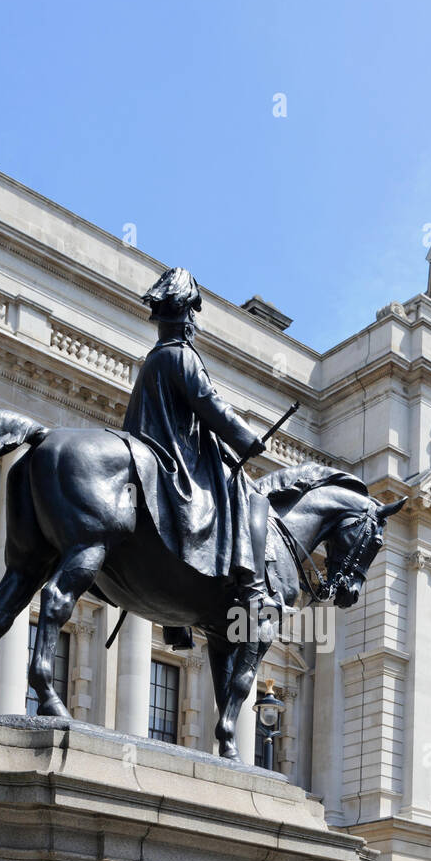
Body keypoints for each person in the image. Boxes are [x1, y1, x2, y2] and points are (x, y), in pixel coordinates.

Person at [121, 267, 275, 645]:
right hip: (175, 456)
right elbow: (210, 406)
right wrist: (247, 440)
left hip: (153, 449)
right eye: (192, 314)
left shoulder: (154, 360)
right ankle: (252, 587)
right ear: (186, 316)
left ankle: (176, 613)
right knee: (246, 493)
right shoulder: (182, 357)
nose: (193, 322)